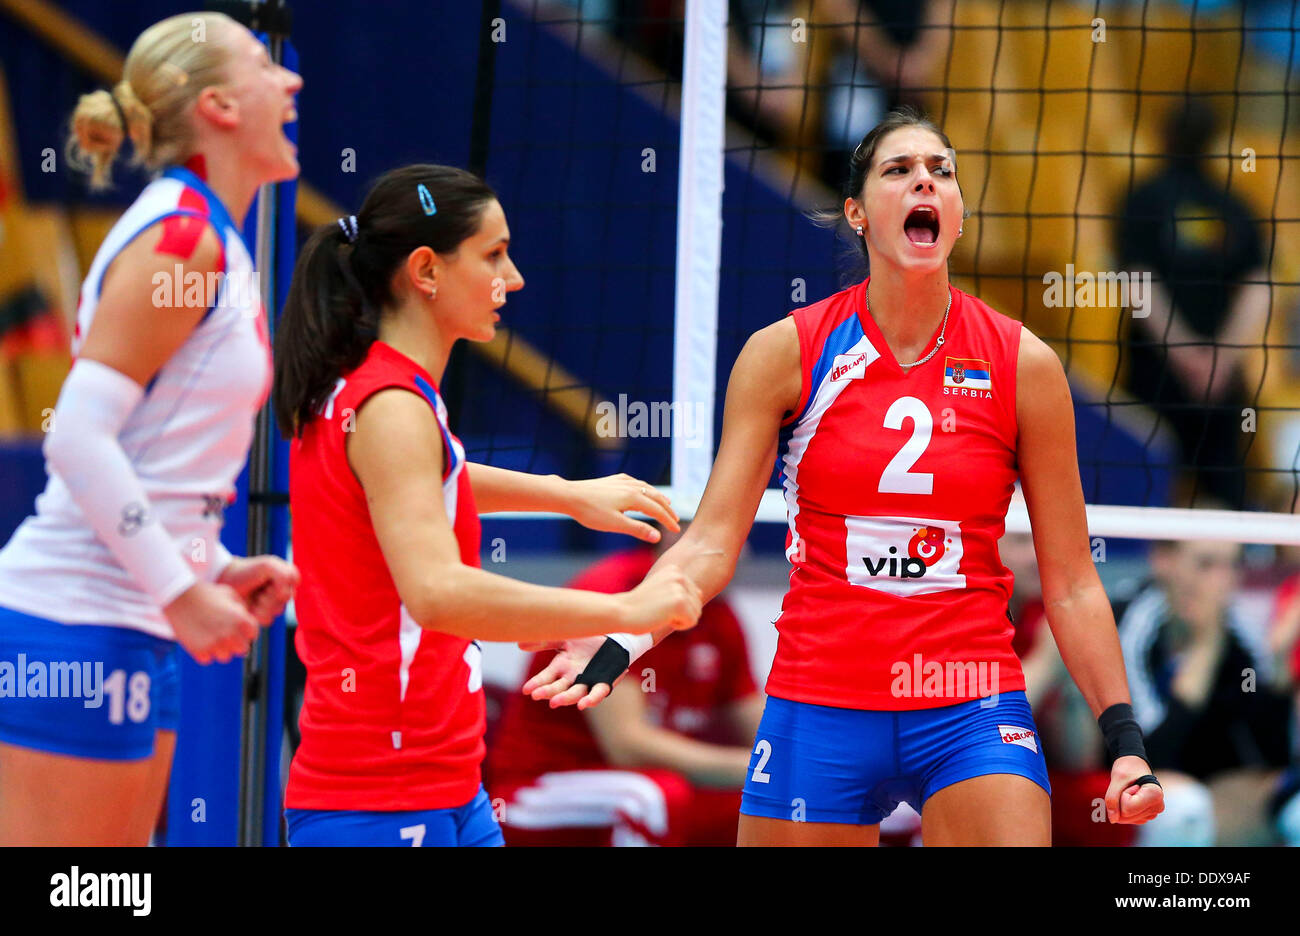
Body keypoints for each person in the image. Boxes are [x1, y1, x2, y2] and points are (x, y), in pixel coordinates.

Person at [526, 106, 1167, 846]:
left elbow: (1074, 581)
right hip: (822, 696)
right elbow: (708, 546)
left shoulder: (1024, 365)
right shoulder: (786, 353)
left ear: (955, 214)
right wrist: (620, 636)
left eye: (942, 171)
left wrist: (1125, 743)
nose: (925, 180)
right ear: (859, 214)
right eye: (899, 170)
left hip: (967, 698)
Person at [272, 164, 702, 847]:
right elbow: (439, 594)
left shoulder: (380, 394)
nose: (516, 277)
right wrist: (623, 612)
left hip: (445, 788)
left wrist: (567, 498)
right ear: (426, 270)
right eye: (494, 254)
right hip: (380, 796)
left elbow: (436, 482)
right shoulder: (389, 408)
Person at [0, 12, 301, 845]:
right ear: (219, 107)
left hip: (129, 621)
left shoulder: (215, 239)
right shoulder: (184, 239)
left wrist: (212, 563)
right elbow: (78, 438)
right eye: (264, 68)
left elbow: (152, 454)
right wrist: (180, 590)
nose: (292, 81)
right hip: (73, 621)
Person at [487, 525, 764, 846]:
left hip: (657, 780)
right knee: (650, 798)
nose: (737, 550)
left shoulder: (717, 610)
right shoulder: (611, 594)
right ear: (669, 531)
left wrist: (796, 768)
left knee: (766, 804)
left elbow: (753, 720)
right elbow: (627, 746)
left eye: (739, 531)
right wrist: (753, 769)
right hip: (545, 783)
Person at [1115, 94, 1270, 509]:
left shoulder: (1142, 200)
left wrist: (1185, 354)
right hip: (1218, 382)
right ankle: (1238, 567)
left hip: (1158, 375)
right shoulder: (1236, 207)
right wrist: (1219, 358)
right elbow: (1258, 287)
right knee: (1227, 490)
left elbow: (1137, 282)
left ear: (1164, 136)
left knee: (1146, 491)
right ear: (1215, 139)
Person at [1119, 538, 1295, 844]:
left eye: (1232, 565)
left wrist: (1278, 665)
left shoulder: (1242, 635)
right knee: (1184, 809)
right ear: (1163, 561)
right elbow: (1148, 756)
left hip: (1210, 783)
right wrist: (1205, 650)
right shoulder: (1129, 623)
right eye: (1206, 564)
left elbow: (1270, 754)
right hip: (1122, 780)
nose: (1222, 580)